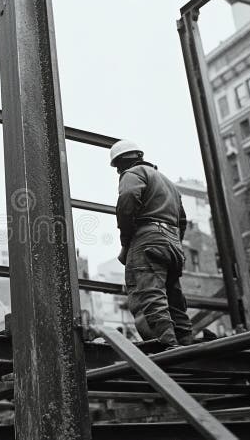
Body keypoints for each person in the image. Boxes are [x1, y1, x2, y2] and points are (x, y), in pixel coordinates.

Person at [110, 140, 193, 348]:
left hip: (147, 239)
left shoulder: (133, 174)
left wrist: (127, 238)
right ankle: (187, 347)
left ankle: (166, 349)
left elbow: (128, 199)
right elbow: (182, 221)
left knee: (148, 296)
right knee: (174, 301)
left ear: (120, 163)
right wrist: (172, 243)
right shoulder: (169, 183)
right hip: (173, 244)